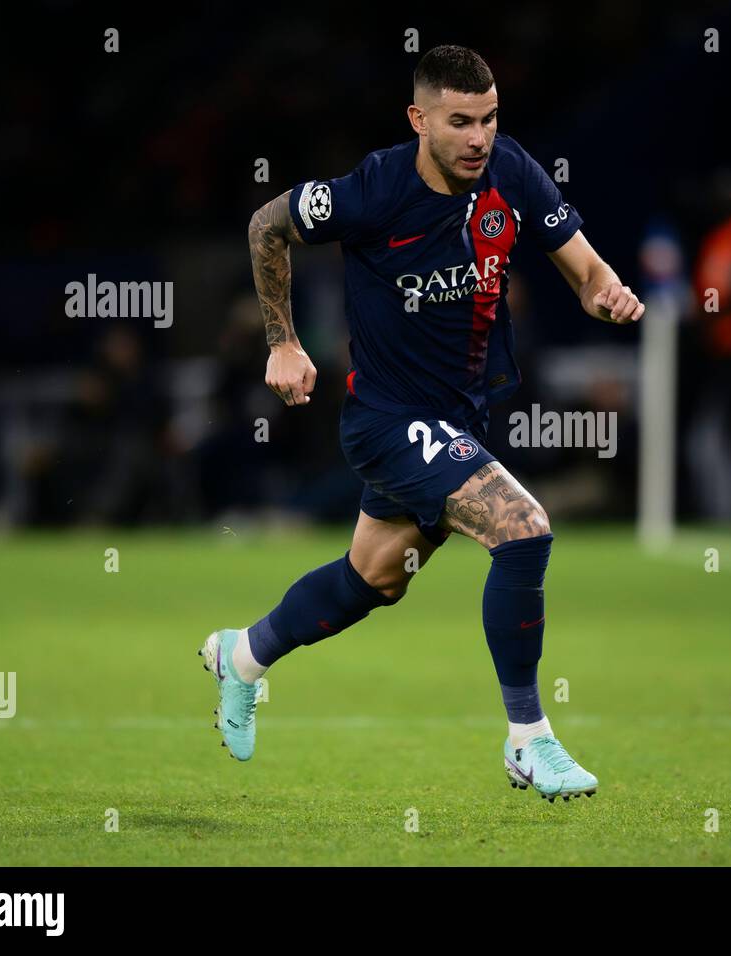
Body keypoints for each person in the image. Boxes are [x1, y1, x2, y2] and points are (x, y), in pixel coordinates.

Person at [201, 45, 644, 803]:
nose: (479, 138)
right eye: (461, 122)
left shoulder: (513, 171)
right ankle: (529, 741)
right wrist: (282, 341)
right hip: (386, 418)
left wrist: (607, 294)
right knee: (524, 529)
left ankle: (243, 656)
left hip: (460, 418)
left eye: (491, 120)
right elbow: (265, 224)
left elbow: (586, 269)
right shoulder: (374, 189)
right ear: (420, 120)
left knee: (373, 578)